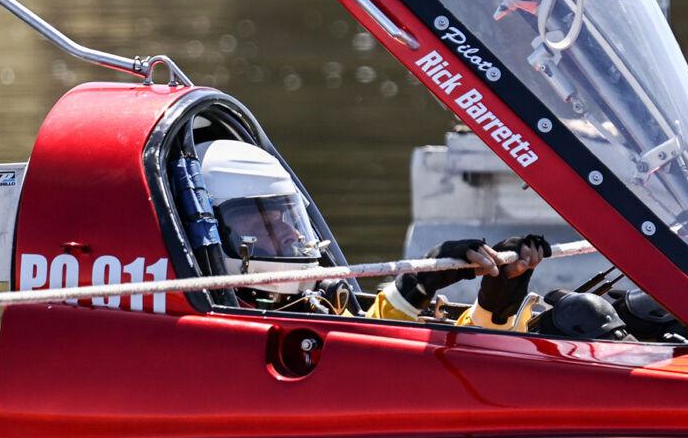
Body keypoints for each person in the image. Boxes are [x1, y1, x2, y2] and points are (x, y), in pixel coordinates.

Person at [198, 140, 549, 330]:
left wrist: (495, 303)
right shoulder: (213, 331)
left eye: (287, 217)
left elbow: (375, 342)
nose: (289, 233)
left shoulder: (317, 304)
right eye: (265, 224)